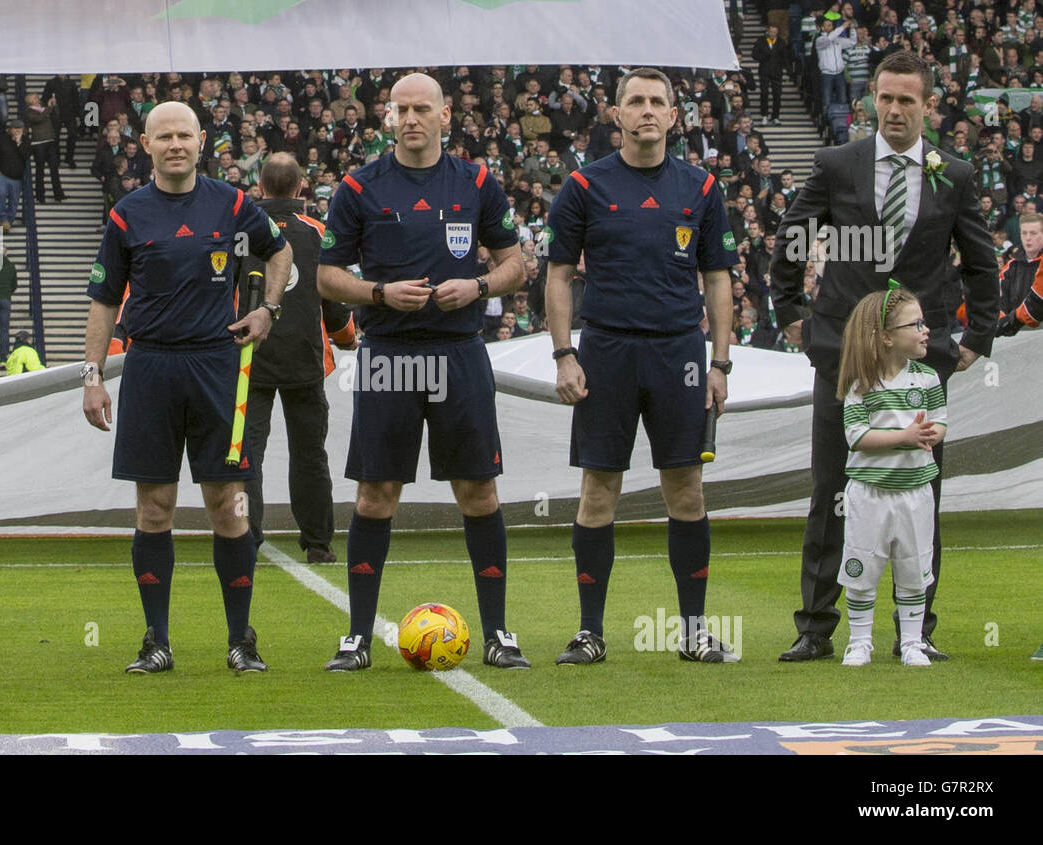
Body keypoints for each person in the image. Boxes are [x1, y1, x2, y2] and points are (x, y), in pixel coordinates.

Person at [771, 52, 998, 663]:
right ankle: (816, 629)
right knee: (832, 488)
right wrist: (791, 312)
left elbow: (980, 262)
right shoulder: (836, 164)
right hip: (845, 357)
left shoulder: (955, 173)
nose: (894, 111)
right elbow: (793, 237)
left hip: (922, 360)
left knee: (920, 488)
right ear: (870, 99)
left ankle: (915, 632)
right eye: (885, 99)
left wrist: (979, 336)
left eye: (907, 101)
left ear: (929, 105)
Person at [316, 72, 528, 672]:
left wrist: (479, 286)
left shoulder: (476, 180)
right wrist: (379, 293)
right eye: (400, 109)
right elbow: (327, 274)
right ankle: (357, 637)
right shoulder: (360, 186)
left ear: (444, 117)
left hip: (460, 353)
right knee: (376, 494)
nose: (411, 119)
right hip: (388, 356)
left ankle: (499, 634)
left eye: (421, 109)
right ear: (388, 119)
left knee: (478, 491)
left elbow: (516, 262)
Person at [82, 102, 292, 675]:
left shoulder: (231, 203)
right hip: (149, 368)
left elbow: (280, 250)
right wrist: (93, 376)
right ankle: (156, 641)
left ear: (201, 140)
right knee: (154, 508)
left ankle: (241, 640)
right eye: (163, 136)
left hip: (216, 368)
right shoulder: (127, 214)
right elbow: (103, 301)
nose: (175, 144)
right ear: (144, 144)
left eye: (184, 135)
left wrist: (269, 308)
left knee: (228, 505)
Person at [545, 67, 740, 666]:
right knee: (598, 489)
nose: (647, 110)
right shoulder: (583, 185)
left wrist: (721, 363)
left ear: (675, 116)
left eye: (658, 101)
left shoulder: (702, 188)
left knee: (685, 489)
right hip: (605, 351)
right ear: (617, 114)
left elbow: (717, 278)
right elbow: (558, 274)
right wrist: (564, 354)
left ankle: (692, 631)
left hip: (678, 352)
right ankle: (589, 633)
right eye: (636, 101)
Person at [237, 152, 355, 561]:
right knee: (310, 454)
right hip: (305, 360)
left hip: (249, 361)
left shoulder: (239, 231)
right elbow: (335, 298)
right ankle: (319, 543)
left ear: (261, 189)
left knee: (247, 453)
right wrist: (345, 338)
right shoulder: (318, 233)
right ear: (301, 188)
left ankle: (246, 540)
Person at [835, 284, 944, 667]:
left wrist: (931, 433)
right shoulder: (861, 384)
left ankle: (913, 641)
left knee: (914, 566)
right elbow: (857, 437)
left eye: (923, 322)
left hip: (916, 492)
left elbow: (940, 423)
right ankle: (859, 640)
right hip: (869, 492)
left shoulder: (928, 378)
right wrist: (907, 436)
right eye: (915, 324)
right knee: (862, 564)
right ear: (886, 337)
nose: (924, 330)